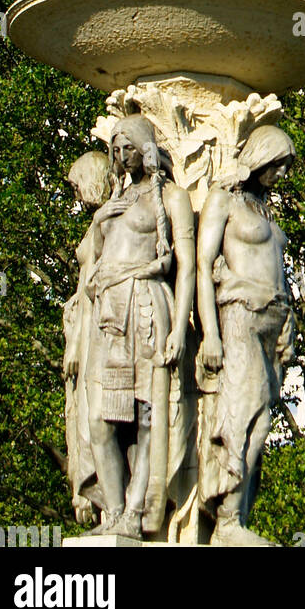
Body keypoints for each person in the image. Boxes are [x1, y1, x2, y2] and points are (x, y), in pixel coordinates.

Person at [83, 115, 195, 539]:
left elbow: (184, 267)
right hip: (109, 311)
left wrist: (180, 331)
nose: (120, 156)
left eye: (128, 147)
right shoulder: (116, 199)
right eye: (115, 149)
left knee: (148, 416)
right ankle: (111, 511)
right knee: (100, 419)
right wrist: (98, 221)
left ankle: (135, 511)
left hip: (148, 306)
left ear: (146, 147)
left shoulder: (171, 197)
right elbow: (91, 259)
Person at [196, 125, 295, 547]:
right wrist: (210, 335)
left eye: (287, 166)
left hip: (275, 323)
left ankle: (237, 515)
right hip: (238, 316)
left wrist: (290, 325)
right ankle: (226, 521)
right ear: (259, 158)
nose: (282, 174)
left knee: (262, 419)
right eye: (277, 164)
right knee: (243, 411)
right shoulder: (225, 201)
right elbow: (203, 266)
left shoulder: (267, 211)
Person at [62, 150, 111, 527]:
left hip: (95, 330)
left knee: (93, 413)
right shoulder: (102, 220)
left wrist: (77, 345)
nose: (77, 193)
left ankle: (102, 493)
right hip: (87, 325)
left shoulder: (106, 220)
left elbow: (93, 283)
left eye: (79, 184)